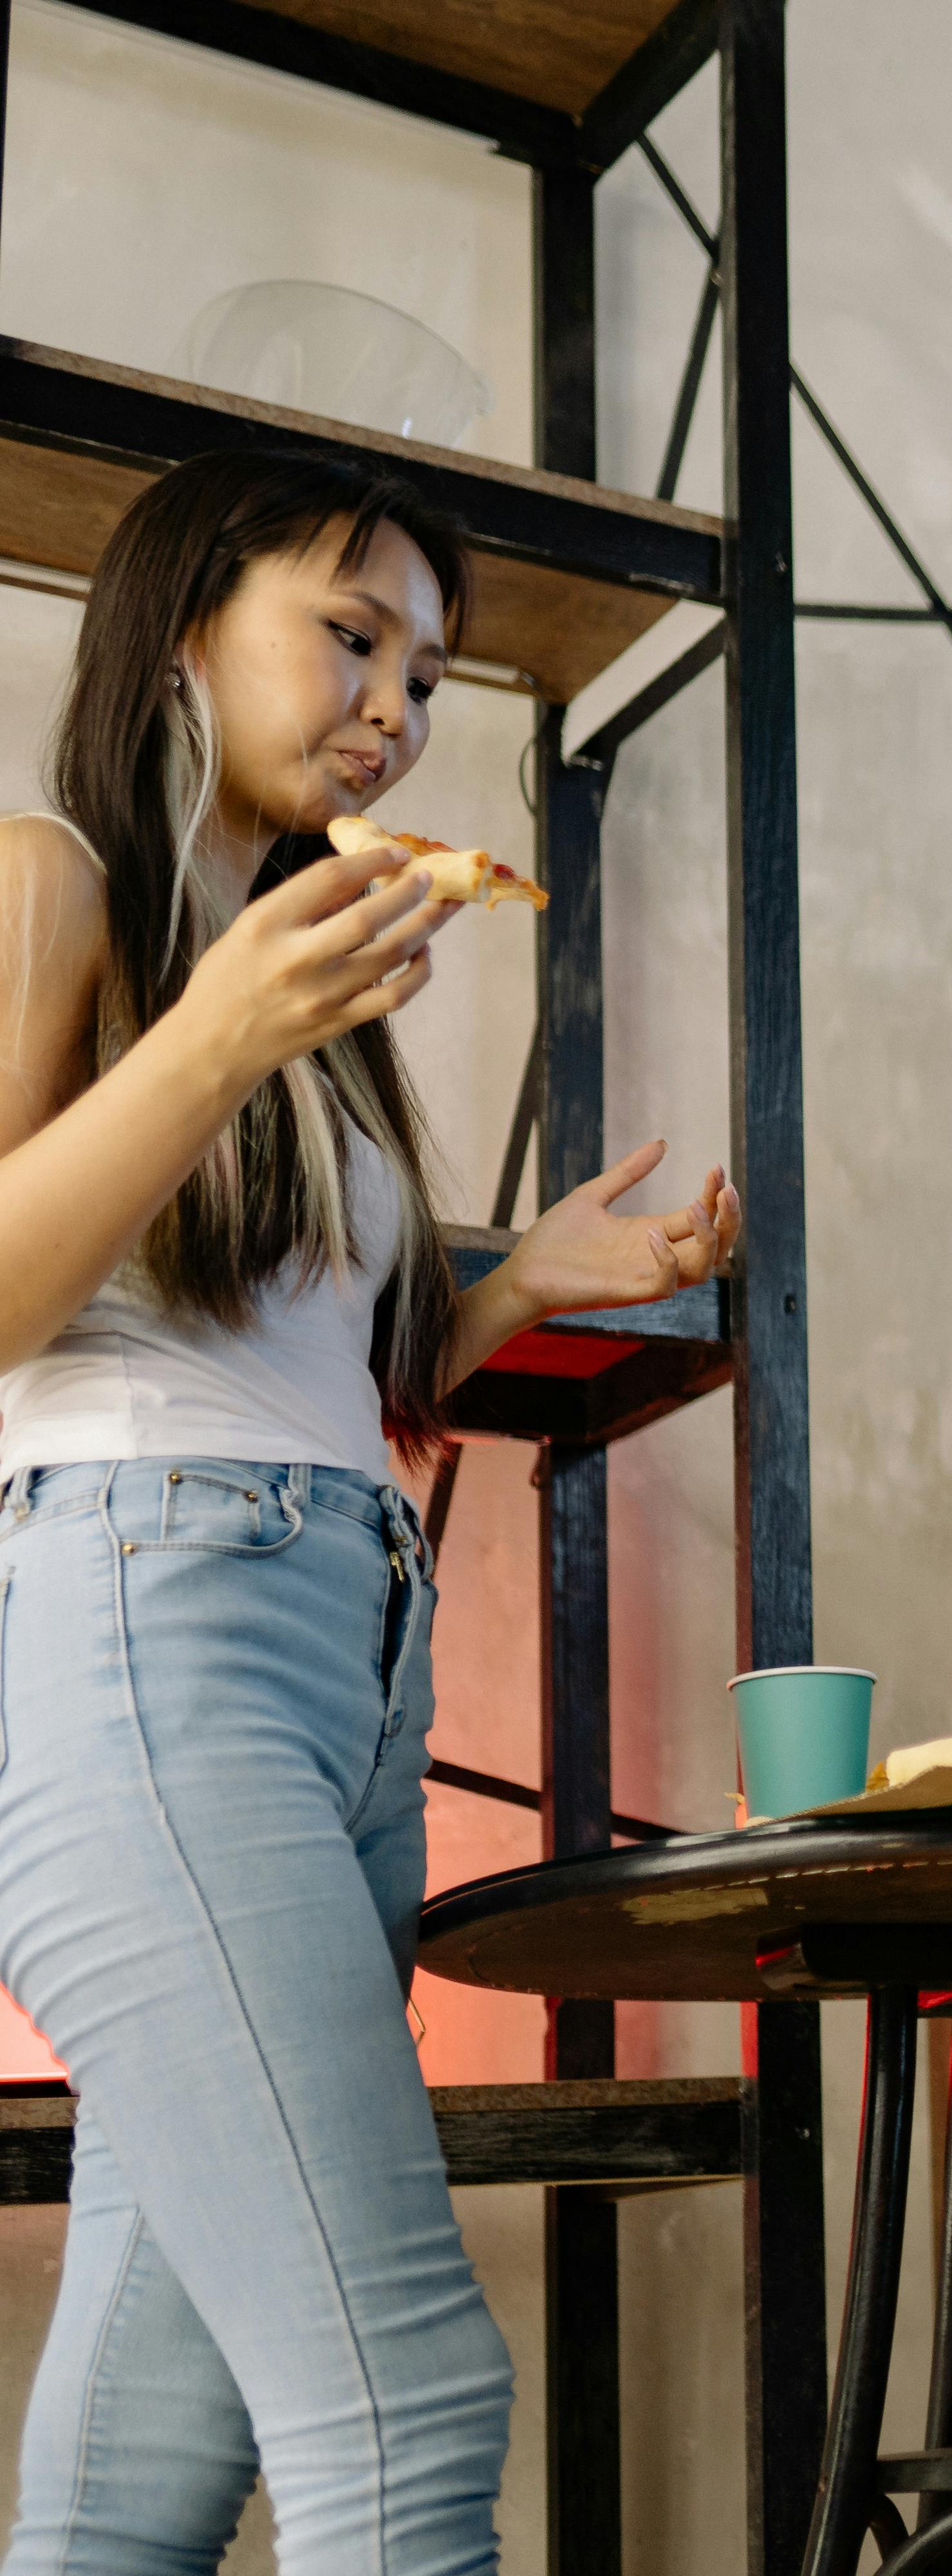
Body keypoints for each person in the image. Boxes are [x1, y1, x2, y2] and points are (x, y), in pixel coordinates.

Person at [0, 450, 742, 2576]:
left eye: (426, 670)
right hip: (150, 1645)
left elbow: (326, 1377)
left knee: (149, 2458)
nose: (398, 708)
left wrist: (515, 1289)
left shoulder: (294, 992)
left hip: (342, 1673)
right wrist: (224, 1026)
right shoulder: (54, 878)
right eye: (351, 635)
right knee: (412, 2405)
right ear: (177, 628)